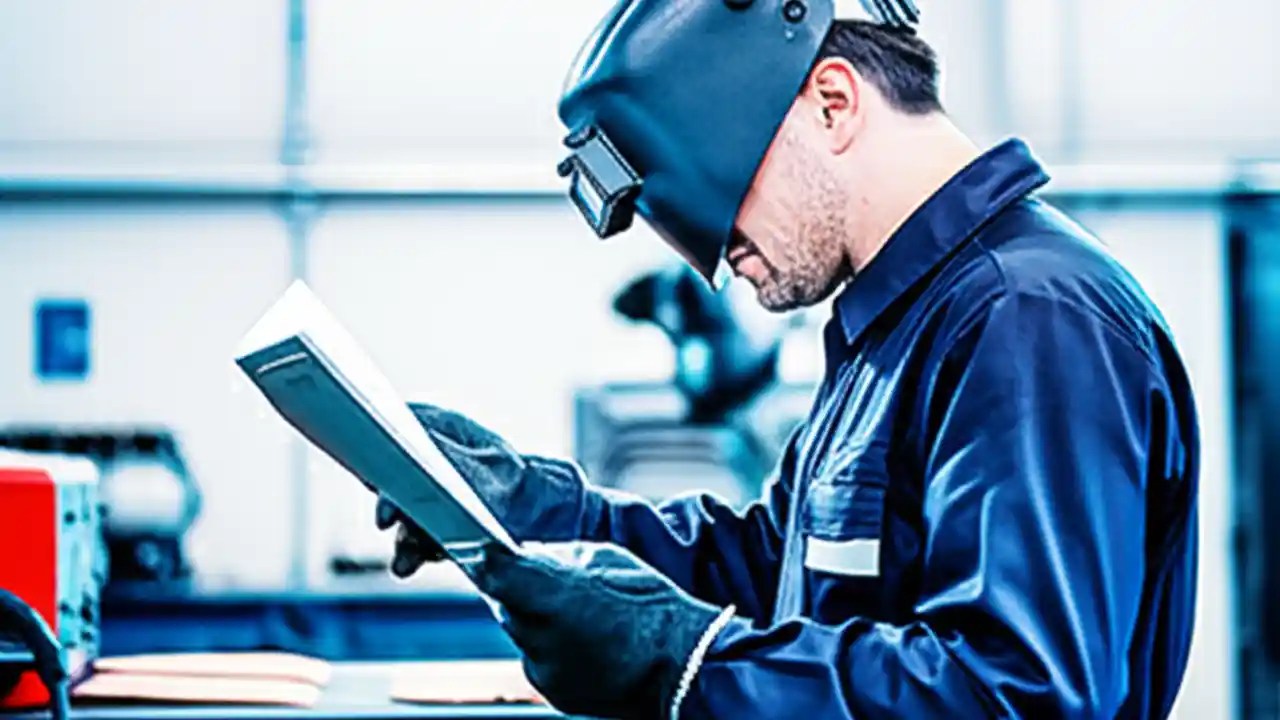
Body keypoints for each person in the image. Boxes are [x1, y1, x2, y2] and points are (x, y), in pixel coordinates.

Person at [376, 1, 1200, 718]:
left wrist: (691, 666)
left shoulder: (1027, 319)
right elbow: (772, 572)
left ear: (833, 103)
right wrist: (534, 512)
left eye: (732, 208)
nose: (719, 256)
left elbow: (1014, 696)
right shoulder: (900, 323)